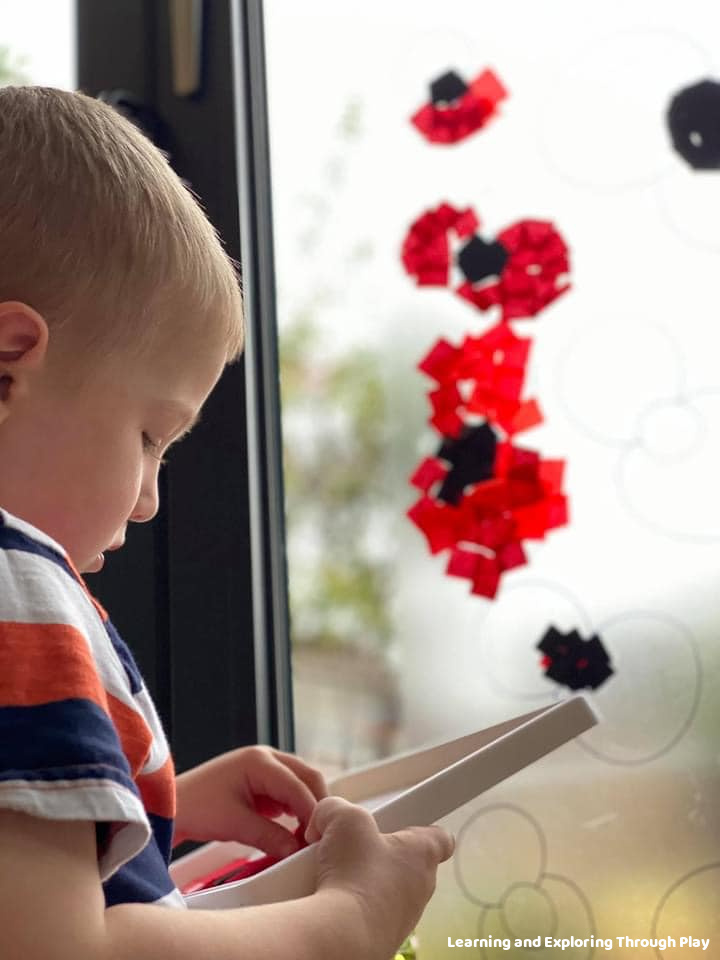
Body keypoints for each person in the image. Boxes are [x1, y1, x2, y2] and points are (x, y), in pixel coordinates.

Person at [0, 86, 453, 960]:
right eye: (147, 437)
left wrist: (159, 799)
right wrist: (346, 922)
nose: (148, 498)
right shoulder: (19, 586)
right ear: (11, 362)